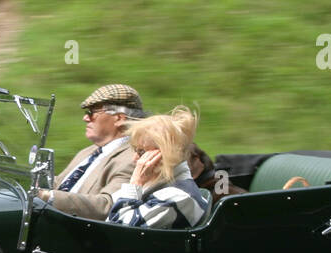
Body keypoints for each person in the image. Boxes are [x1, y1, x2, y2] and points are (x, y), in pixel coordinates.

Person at [37, 84, 145, 220]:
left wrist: (47, 196)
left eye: (92, 113)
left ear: (119, 118)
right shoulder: (88, 152)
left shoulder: (133, 158)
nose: (85, 118)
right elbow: (58, 183)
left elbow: (108, 205)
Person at [108, 105, 208, 229]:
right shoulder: (155, 184)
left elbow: (118, 228)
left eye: (141, 152)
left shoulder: (179, 197)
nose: (135, 159)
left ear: (164, 155)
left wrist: (135, 184)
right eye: (135, 150)